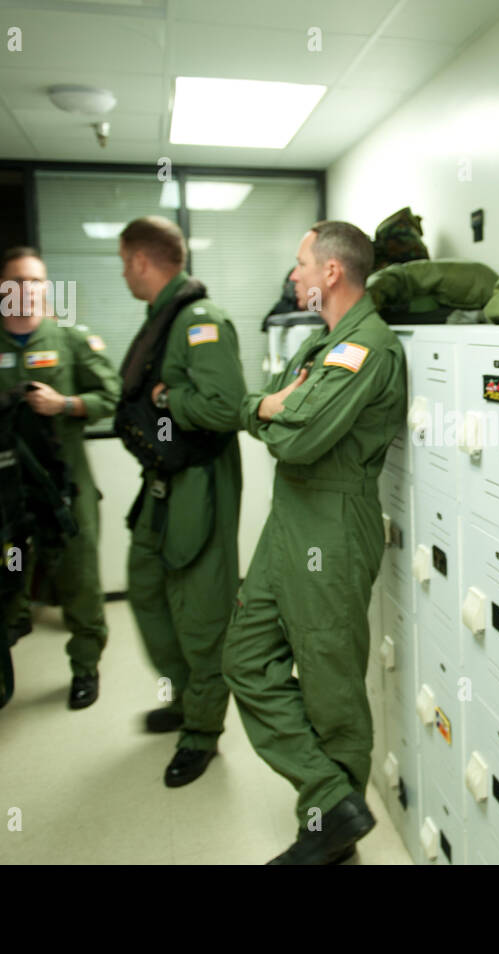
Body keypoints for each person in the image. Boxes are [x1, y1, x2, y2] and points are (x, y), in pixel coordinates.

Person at [223, 220, 407, 864]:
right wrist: (269, 409)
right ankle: (333, 799)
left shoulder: (368, 349)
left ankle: (330, 832)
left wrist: (269, 412)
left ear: (332, 271)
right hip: (291, 519)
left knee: (330, 681)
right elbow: (274, 413)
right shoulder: (324, 345)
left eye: (302, 263)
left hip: (330, 522)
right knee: (245, 659)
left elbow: (295, 438)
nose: (294, 275)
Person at [0, 246, 120, 733]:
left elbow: (112, 396)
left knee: (79, 581)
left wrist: (65, 403)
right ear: (1, 288)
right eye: (17, 281)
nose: (27, 290)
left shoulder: (70, 340)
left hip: (66, 490)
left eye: (36, 282)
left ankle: (85, 667)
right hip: (4, 492)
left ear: (47, 288)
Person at [117, 216, 244, 787]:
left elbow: (225, 407)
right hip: (162, 484)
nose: (123, 273)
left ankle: (202, 732)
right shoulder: (161, 320)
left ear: (142, 260)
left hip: (201, 483)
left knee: (202, 612)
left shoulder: (199, 321)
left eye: (124, 262)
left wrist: (170, 397)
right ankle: (186, 696)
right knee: (145, 585)